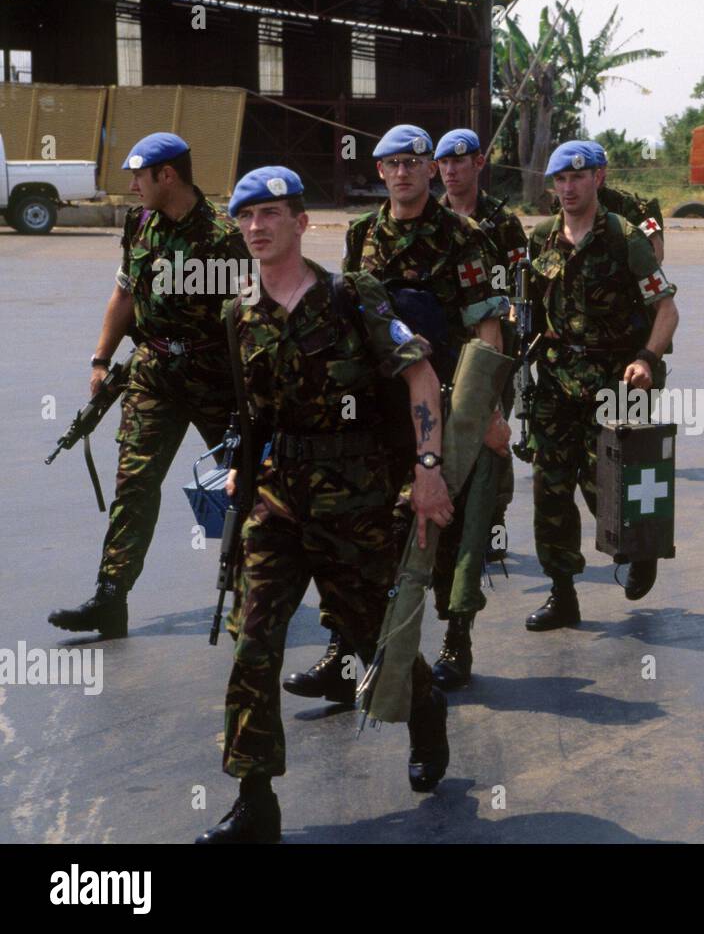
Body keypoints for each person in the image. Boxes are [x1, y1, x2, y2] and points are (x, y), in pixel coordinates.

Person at [196, 167, 451, 843]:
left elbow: (420, 376)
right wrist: (240, 476)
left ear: (302, 222)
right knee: (255, 642)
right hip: (277, 504)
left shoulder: (348, 296)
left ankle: (425, 708)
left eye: (271, 213)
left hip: (356, 505)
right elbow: (254, 417)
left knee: (373, 634)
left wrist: (428, 469)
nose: (256, 227)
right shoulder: (238, 315)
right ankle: (256, 801)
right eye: (245, 216)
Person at [281, 124, 508, 698]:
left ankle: (456, 637)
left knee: (448, 525)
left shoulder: (464, 235)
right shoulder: (361, 235)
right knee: (358, 524)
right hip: (379, 403)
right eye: (392, 163)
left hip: (451, 400)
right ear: (379, 171)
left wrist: (492, 410)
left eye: (413, 161)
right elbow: (349, 316)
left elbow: (487, 326)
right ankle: (344, 653)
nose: (403, 171)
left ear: (431, 168)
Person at [48, 133, 249, 638]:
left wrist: (258, 390)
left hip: (217, 381)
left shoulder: (224, 237)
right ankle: (110, 600)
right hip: (153, 373)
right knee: (133, 485)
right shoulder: (138, 223)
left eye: (139, 175)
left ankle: (255, 595)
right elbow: (124, 293)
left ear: (168, 176)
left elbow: (253, 319)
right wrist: (100, 359)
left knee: (245, 484)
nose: (132, 184)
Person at [521, 139, 680, 631]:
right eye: (559, 180)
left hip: (613, 381)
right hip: (554, 382)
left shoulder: (624, 238)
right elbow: (528, 307)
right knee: (550, 488)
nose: (567, 188)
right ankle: (562, 593)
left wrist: (646, 358)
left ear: (598, 179)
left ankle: (637, 550)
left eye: (577, 177)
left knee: (603, 485)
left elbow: (666, 310)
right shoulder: (542, 238)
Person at [436, 127, 528, 580]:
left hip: (492, 349)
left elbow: (521, 288)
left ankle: (493, 524)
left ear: (478, 164)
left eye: (460, 161)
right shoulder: (431, 219)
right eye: (444, 163)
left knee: (492, 437)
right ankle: (448, 525)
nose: (451, 171)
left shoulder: (502, 221)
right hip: (442, 349)